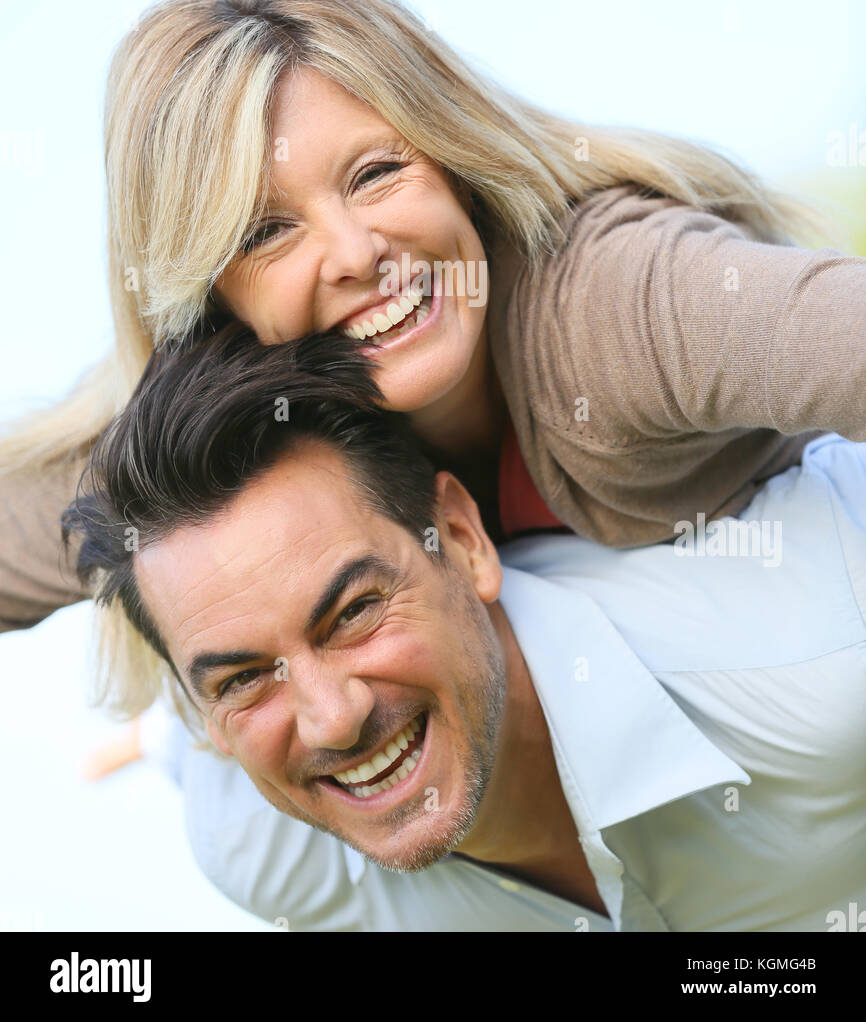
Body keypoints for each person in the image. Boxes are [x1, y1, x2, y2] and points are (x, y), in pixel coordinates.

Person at [3, 0, 866, 708]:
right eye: (265, 234)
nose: (354, 253)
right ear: (216, 307)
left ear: (453, 161)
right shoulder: (225, 438)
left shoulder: (611, 306)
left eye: (376, 173)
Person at [63, 323, 866, 932]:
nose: (333, 719)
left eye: (353, 613)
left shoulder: (822, 632)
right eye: (242, 677)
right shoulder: (258, 849)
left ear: (463, 540)